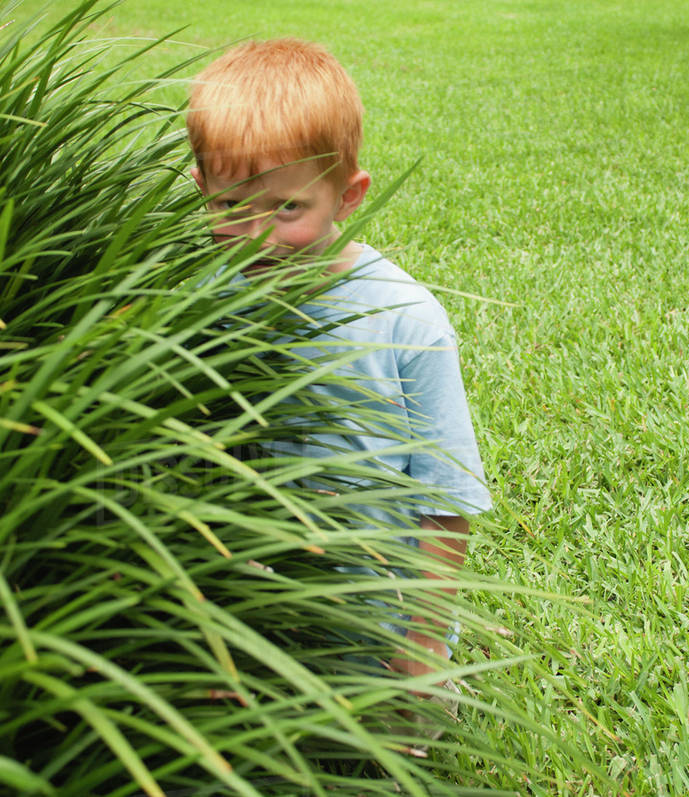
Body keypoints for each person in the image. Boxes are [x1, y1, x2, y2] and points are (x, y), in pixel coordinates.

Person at [186, 39, 491, 685]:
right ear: (200, 188)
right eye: (228, 206)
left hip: (380, 633)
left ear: (348, 196)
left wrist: (424, 643)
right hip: (251, 621)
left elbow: (446, 497)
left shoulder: (407, 318)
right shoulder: (203, 296)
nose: (256, 235)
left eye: (288, 207)